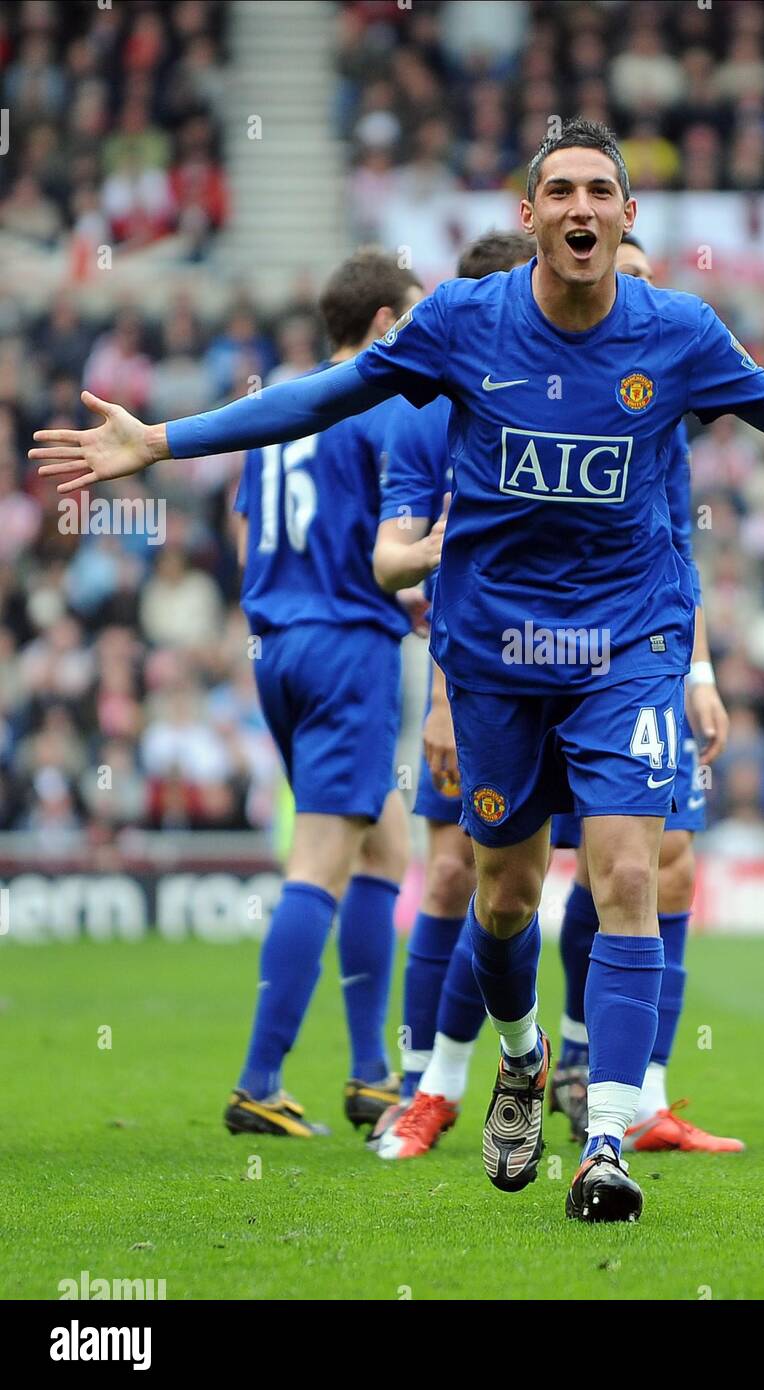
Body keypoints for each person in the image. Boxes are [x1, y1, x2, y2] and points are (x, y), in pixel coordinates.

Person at [33, 118, 764, 1221]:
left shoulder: (677, 333)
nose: (581, 209)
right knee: (505, 893)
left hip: (628, 645)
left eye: (601, 194)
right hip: (494, 653)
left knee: (626, 875)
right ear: (529, 216)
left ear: (628, 219)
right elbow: (326, 396)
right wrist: (166, 441)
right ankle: (519, 1058)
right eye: (561, 192)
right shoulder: (463, 321)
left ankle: (606, 1136)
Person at [222, 248, 440, 1138]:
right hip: (348, 645)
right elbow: (394, 545)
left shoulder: (282, 402)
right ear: (387, 324)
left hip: (276, 642)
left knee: (383, 850)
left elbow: (246, 540)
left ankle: (368, 1075)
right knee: (319, 859)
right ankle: (258, 1083)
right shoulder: (379, 405)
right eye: (417, 317)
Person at [548, 234, 739, 1154]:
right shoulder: (550, 402)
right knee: (545, 876)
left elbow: (673, 553)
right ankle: (567, 1055)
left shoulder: (660, 415)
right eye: (632, 286)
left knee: (660, 864)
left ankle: (644, 1093)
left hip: (648, 660)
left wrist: (697, 671)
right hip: (546, 661)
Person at [370, 229, 535, 1157]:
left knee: (608, 875)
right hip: (466, 674)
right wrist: (440, 547)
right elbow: (392, 559)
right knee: (456, 876)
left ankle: (594, 1082)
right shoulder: (423, 409)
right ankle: (421, 1080)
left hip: (584, 671)